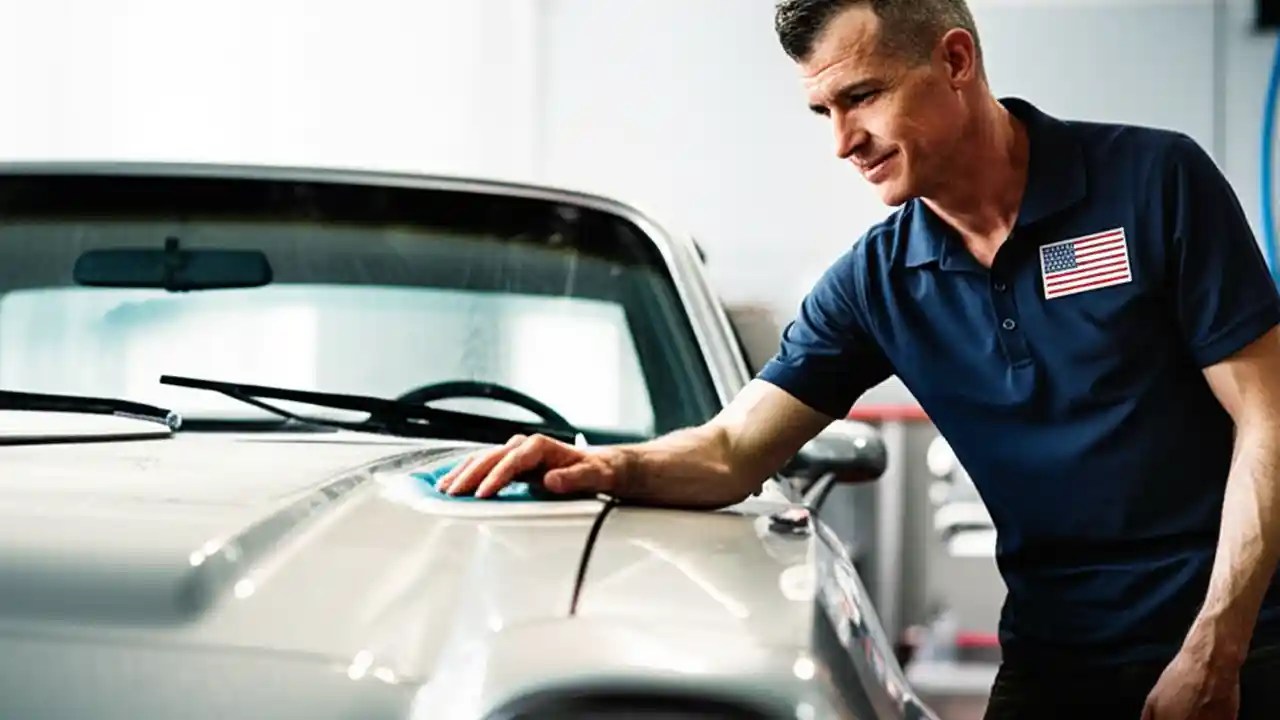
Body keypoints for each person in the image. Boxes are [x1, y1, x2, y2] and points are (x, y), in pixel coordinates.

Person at [439, 0, 1280, 717]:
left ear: (955, 59)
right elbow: (733, 451)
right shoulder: (877, 282)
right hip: (1057, 656)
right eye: (823, 112)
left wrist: (1217, 648)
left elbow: (1268, 418)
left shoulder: (1153, 181)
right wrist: (596, 464)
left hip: (1245, 636)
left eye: (862, 97)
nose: (844, 140)